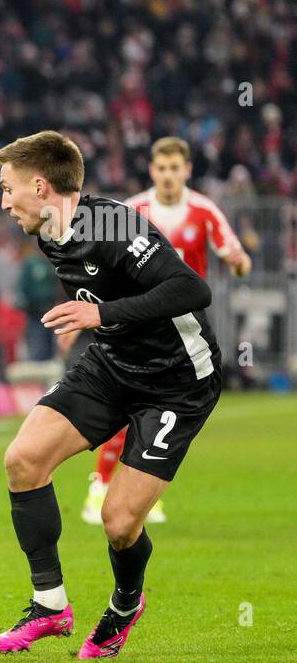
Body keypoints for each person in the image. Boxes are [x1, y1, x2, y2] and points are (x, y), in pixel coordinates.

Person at [0, 130, 221, 659]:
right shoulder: (47, 230)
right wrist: (86, 318)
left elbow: (192, 289)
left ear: (41, 186)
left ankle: (124, 604)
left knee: (118, 523)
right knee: (23, 460)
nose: (3, 202)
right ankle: (50, 606)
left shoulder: (114, 225)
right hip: (111, 365)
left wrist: (100, 314)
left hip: (177, 381)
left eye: (8, 188)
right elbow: (95, 286)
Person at [79, 136, 251, 527]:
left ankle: (137, 496)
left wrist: (241, 263)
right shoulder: (132, 210)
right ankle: (100, 486)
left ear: (187, 170)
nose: (169, 176)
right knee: (124, 409)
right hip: (136, 325)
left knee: (161, 417)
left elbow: (237, 260)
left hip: (186, 333)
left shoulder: (204, 211)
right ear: (152, 170)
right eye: (162, 168)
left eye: (176, 168)